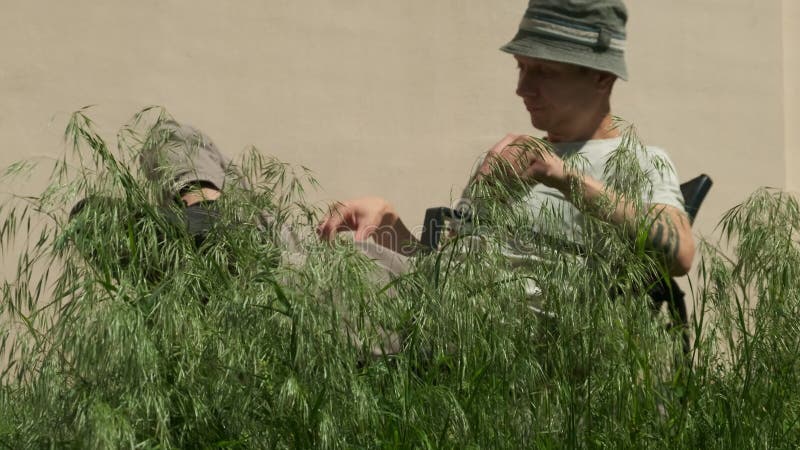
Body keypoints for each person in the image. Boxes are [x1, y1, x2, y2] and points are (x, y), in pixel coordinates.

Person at [317, 0, 695, 277]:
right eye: (521, 68)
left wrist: (564, 178)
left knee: (325, 275)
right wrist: (388, 223)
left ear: (601, 78)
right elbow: (443, 270)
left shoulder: (638, 162)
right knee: (287, 240)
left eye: (544, 71)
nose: (522, 88)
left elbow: (679, 252)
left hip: (520, 354)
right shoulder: (513, 157)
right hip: (454, 331)